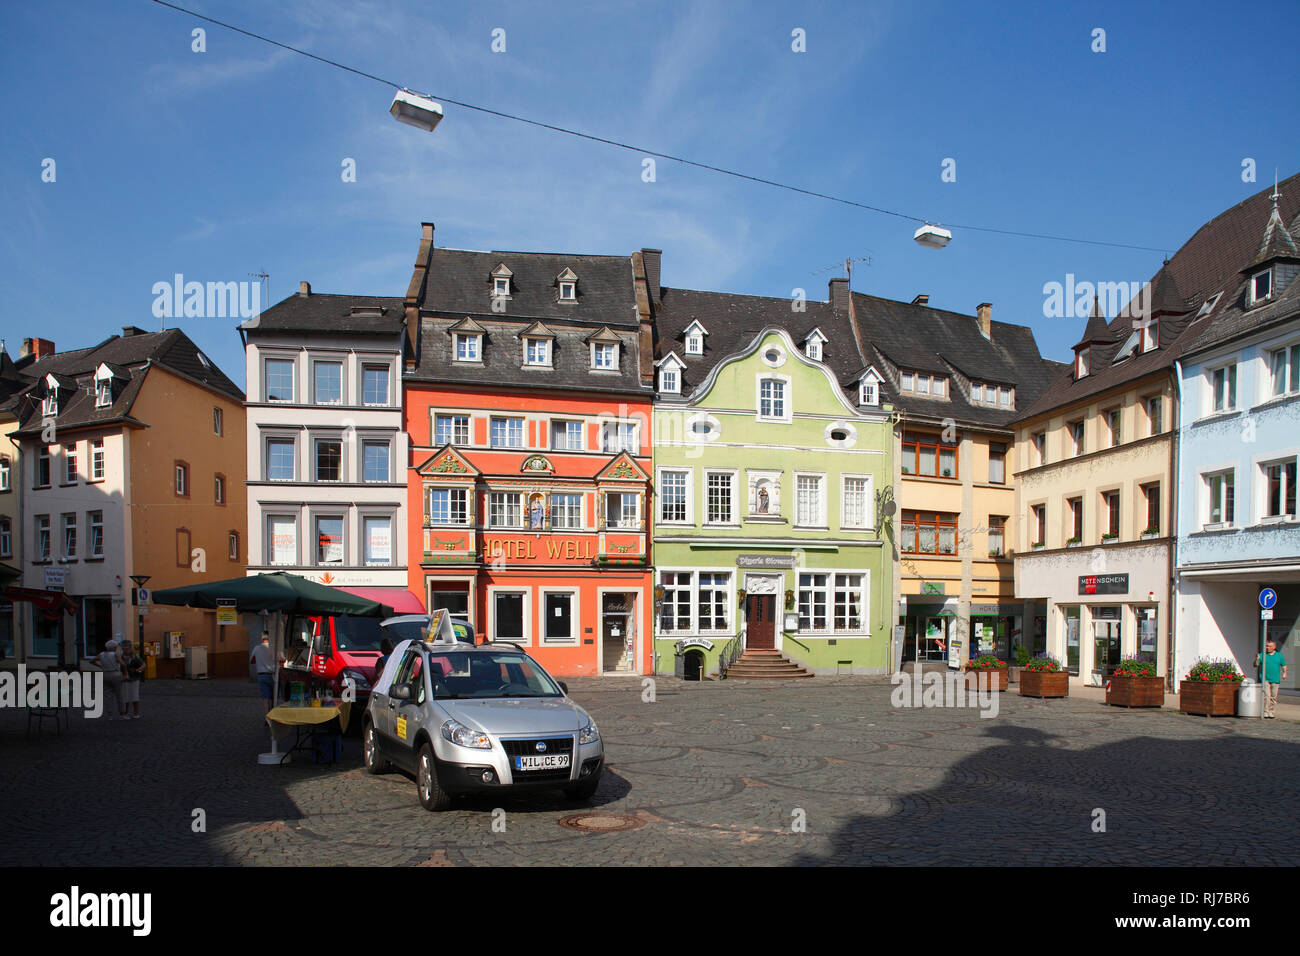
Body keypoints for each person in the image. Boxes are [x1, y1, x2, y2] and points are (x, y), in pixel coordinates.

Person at [1256, 639, 1288, 719]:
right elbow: (1255, 665)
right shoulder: (1262, 655)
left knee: (1273, 697)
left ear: (1274, 647)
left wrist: (1284, 672)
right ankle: (1265, 711)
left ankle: (1271, 712)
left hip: (1275, 678)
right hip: (1265, 678)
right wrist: (1257, 659)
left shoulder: (1279, 655)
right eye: (1266, 646)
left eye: (1270, 646)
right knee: (1267, 696)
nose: (1267, 648)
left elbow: (1284, 665)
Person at [93, 640, 124, 720]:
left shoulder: (101, 654)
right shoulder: (115, 654)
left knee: (108, 695)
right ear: (115, 647)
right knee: (119, 695)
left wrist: (100, 666)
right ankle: (121, 714)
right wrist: (126, 673)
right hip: (115, 674)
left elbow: (91, 661)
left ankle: (110, 715)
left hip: (105, 674)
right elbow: (122, 664)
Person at [250, 632, 277, 714]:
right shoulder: (274, 648)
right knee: (273, 697)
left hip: (261, 675)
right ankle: (273, 713)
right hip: (273, 675)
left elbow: (252, 661)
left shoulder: (256, 648)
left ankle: (266, 716)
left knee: (265, 698)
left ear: (262, 638)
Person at [120, 640, 145, 719]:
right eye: (124, 649)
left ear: (130, 648)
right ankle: (125, 713)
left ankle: (136, 713)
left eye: (127, 648)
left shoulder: (134, 656)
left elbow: (143, 665)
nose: (125, 650)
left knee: (135, 696)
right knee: (125, 697)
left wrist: (138, 670)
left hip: (134, 679)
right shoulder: (120, 657)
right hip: (124, 679)